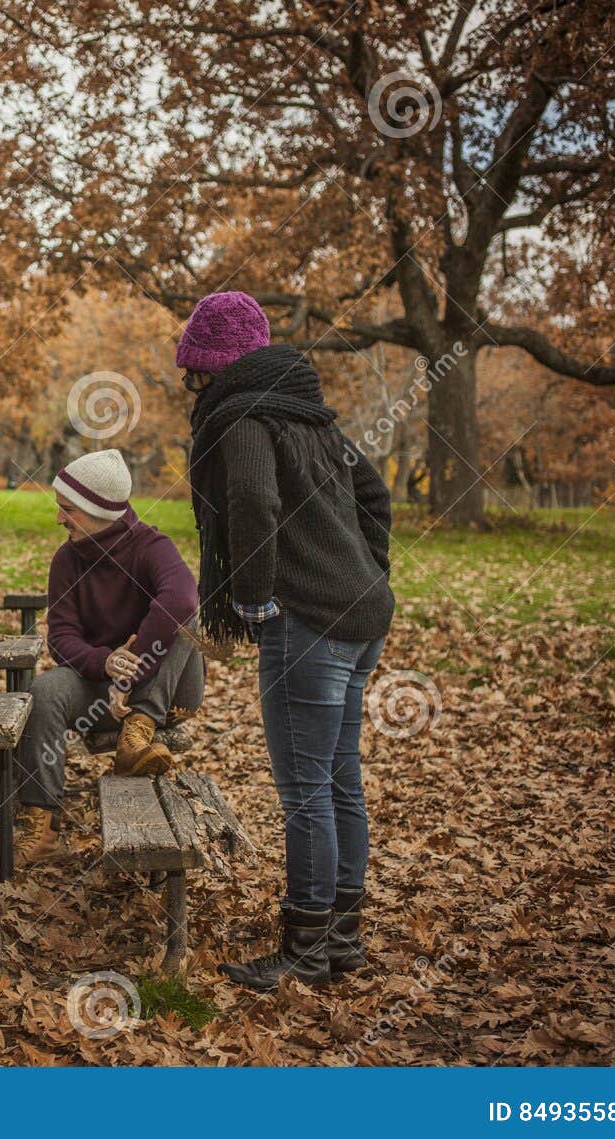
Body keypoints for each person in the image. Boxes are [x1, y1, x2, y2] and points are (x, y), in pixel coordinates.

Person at [180, 290, 394, 990]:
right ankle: (342, 936)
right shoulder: (313, 417)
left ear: (210, 366)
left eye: (196, 372)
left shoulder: (242, 416)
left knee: (306, 789)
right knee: (338, 780)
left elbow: (253, 501)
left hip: (308, 623)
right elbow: (376, 497)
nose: (194, 387)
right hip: (361, 616)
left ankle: (305, 945)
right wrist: (366, 572)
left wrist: (253, 596)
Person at [14, 448, 206, 864]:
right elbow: (61, 635)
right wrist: (104, 662)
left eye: (67, 509)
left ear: (97, 510)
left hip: (170, 691)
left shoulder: (152, 547)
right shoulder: (66, 560)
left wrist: (130, 673)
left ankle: (138, 730)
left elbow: (181, 599)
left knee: (185, 613)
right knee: (45, 690)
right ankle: (41, 823)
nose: (59, 518)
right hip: (102, 688)